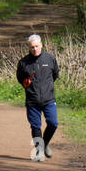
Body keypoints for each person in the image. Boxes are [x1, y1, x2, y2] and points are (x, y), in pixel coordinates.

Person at [16, 33, 59, 161]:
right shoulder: (23, 63)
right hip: (32, 100)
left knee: (53, 123)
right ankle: (39, 151)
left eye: (36, 46)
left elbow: (55, 75)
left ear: (41, 45)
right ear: (28, 48)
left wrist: (47, 88)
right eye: (32, 47)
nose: (34, 49)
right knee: (36, 127)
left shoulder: (50, 59)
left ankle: (45, 144)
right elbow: (20, 79)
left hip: (49, 99)